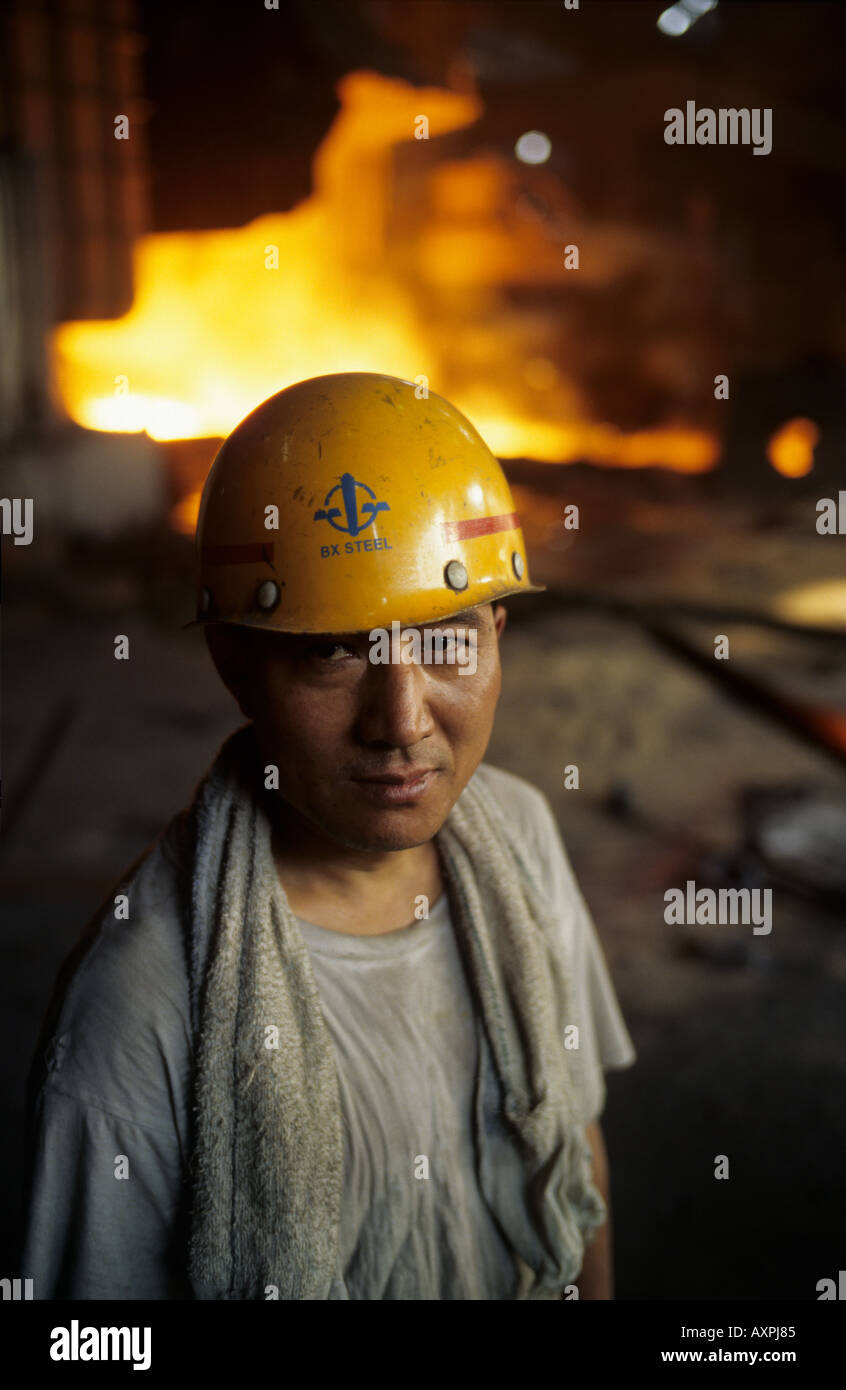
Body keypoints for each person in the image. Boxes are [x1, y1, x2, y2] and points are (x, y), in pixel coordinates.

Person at [20, 372, 636, 1300]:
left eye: (445, 640)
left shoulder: (519, 835)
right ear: (235, 663)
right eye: (331, 650)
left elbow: (572, 1145)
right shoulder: (138, 1001)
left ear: (498, 634)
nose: (400, 721)